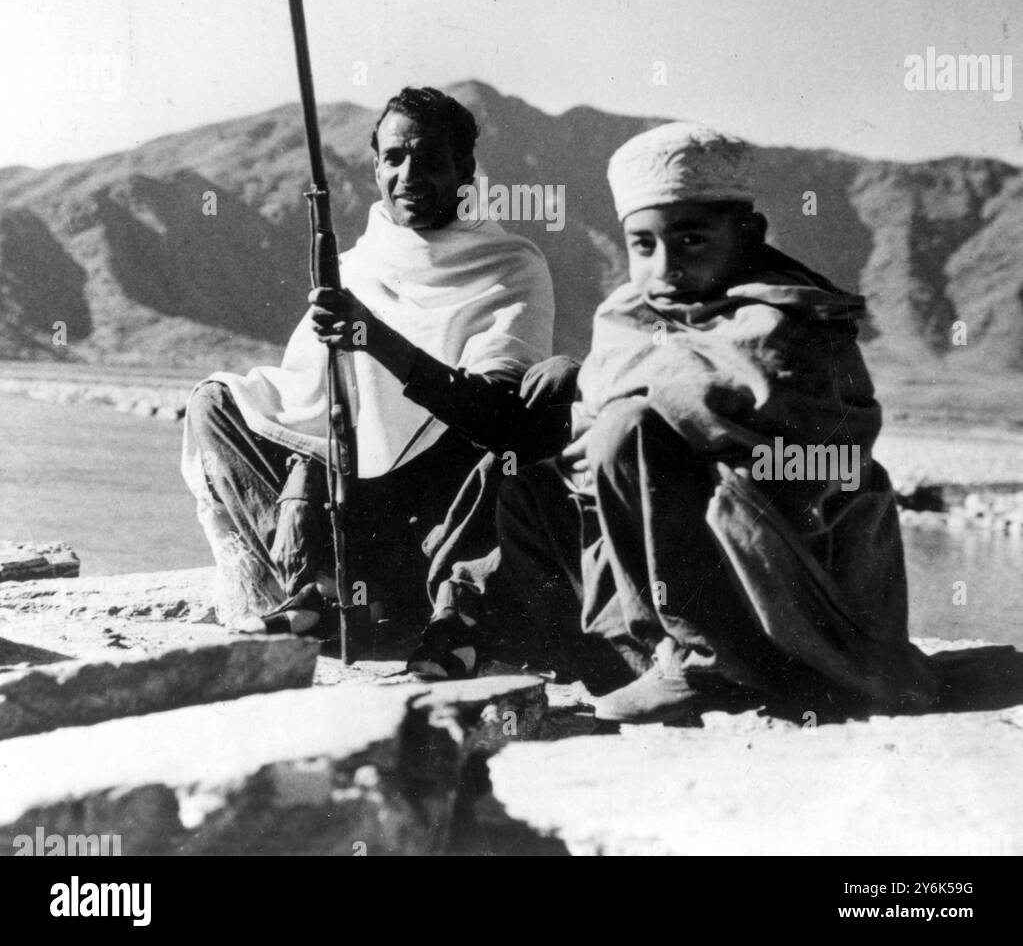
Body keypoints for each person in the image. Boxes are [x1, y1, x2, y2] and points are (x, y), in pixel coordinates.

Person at [496, 120, 938, 723]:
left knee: (629, 431)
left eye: (692, 240)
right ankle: (627, 652)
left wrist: (623, 418)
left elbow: (802, 460)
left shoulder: (790, 322)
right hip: (685, 566)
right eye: (643, 245)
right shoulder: (628, 316)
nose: (665, 265)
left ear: (748, 234)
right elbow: (597, 432)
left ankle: (711, 665)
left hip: (792, 576)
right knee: (531, 486)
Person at [181, 86, 571, 676]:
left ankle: (456, 615)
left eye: (429, 160)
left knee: (544, 398)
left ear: (465, 168)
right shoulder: (361, 265)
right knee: (217, 403)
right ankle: (322, 592)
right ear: (375, 167)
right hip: (357, 520)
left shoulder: (512, 266)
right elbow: (314, 405)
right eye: (393, 158)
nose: (408, 174)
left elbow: (493, 415)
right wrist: (297, 489)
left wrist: (374, 337)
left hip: (449, 520)